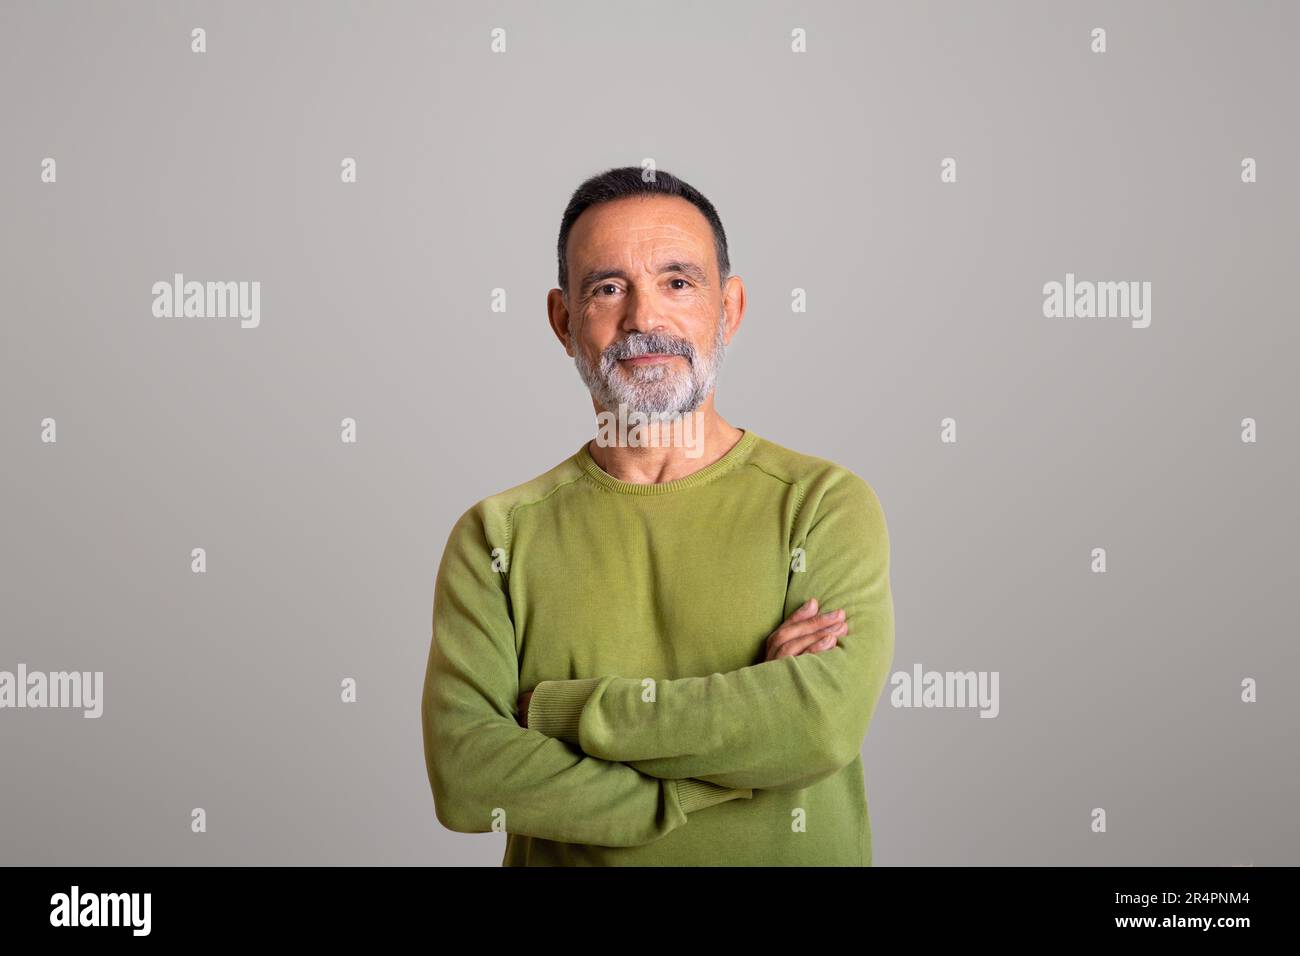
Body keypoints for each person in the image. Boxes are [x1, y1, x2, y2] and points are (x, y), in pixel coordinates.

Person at [421, 166, 896, 865]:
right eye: (608, 288)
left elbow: (818, 726)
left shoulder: (822, 505)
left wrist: (562, 713)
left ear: (728, 310)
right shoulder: (496, 536)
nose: (643, 319)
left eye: (678, 283)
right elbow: (467, 778)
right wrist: (710, 778)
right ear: (563, 321)